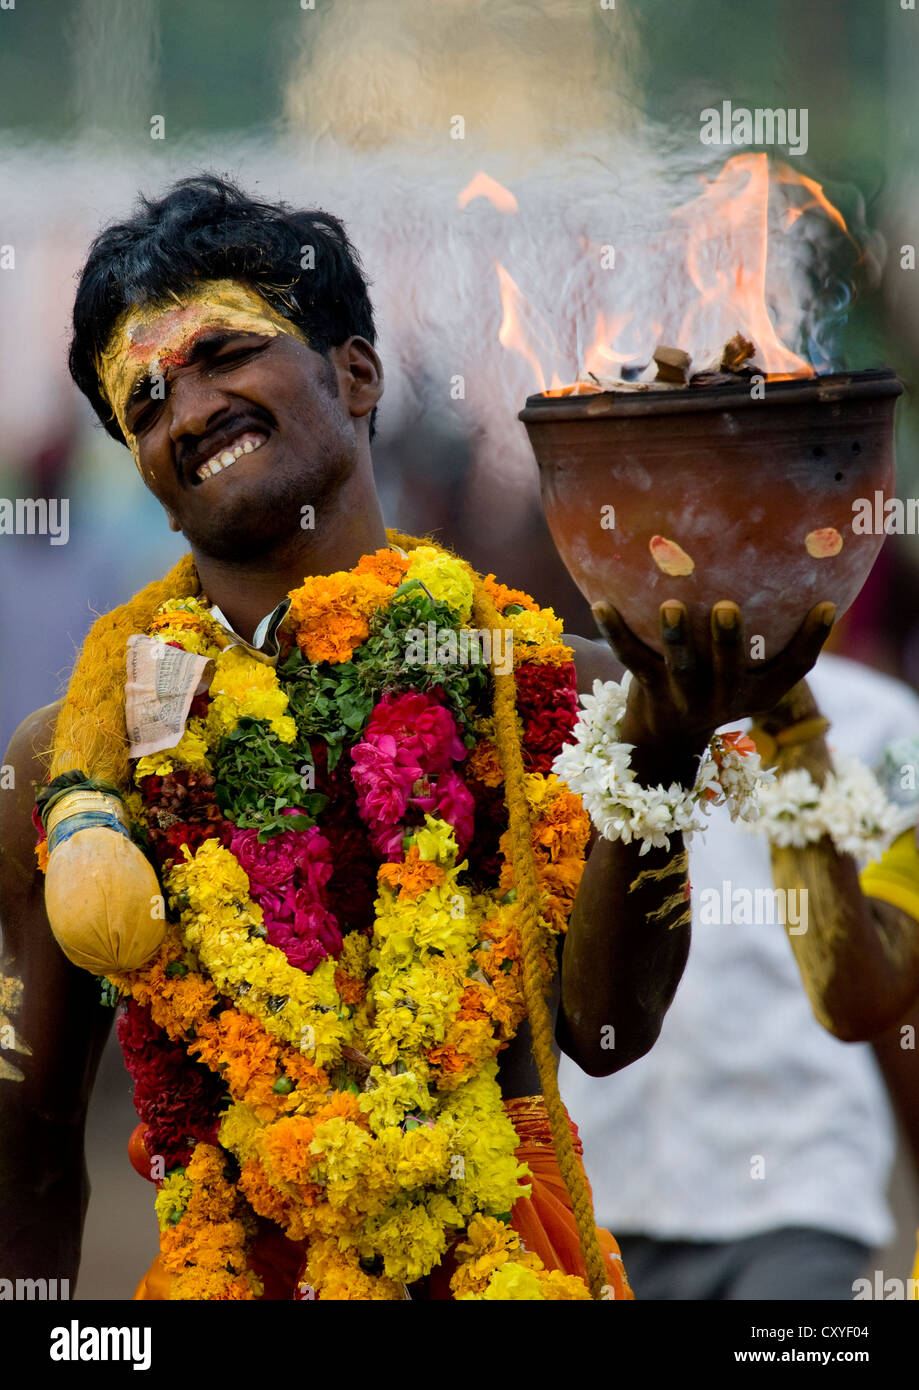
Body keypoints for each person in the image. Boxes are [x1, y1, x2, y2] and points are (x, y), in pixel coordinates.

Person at [0, 175, 831, 1302]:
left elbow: (602, 1030)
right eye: (144, 401)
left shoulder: (555, 691)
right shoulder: (72, 770)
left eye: (224, 354)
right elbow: (32, 1152)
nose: (189, 411)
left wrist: (664, 755)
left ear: (355, 373)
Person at [561, 649, 919, 1300]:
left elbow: (885, 996)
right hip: (605, 1180)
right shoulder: (595, 701)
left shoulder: (888, 725)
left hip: (797, 1184)